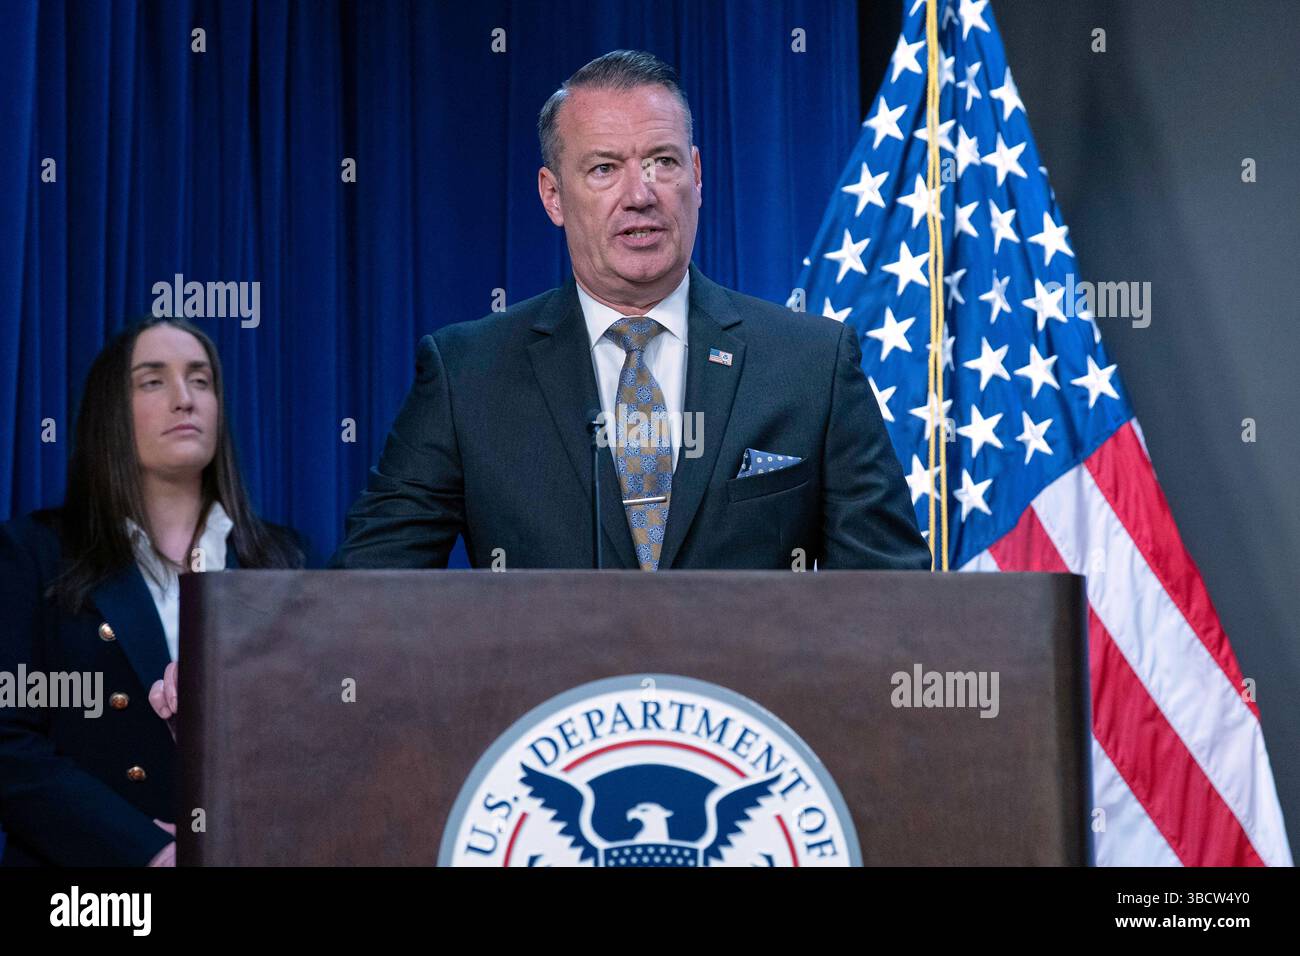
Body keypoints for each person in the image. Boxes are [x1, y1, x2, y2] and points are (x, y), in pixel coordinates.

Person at [331, 49, 929, 572]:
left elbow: (889, 595)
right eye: (604, 168)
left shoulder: (811, 363)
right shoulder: (468, 374)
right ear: (553, 196)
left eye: (663, 162)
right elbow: (368, 594)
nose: (639, 194)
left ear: (697, 176)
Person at [0, 316, 305, 866]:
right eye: (153, 380)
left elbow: (322, 738)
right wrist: (151, 852)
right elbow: (9, 744)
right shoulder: (33, 556)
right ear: (108, 414)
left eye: (201, 380)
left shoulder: (287, 560)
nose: (184, 399)